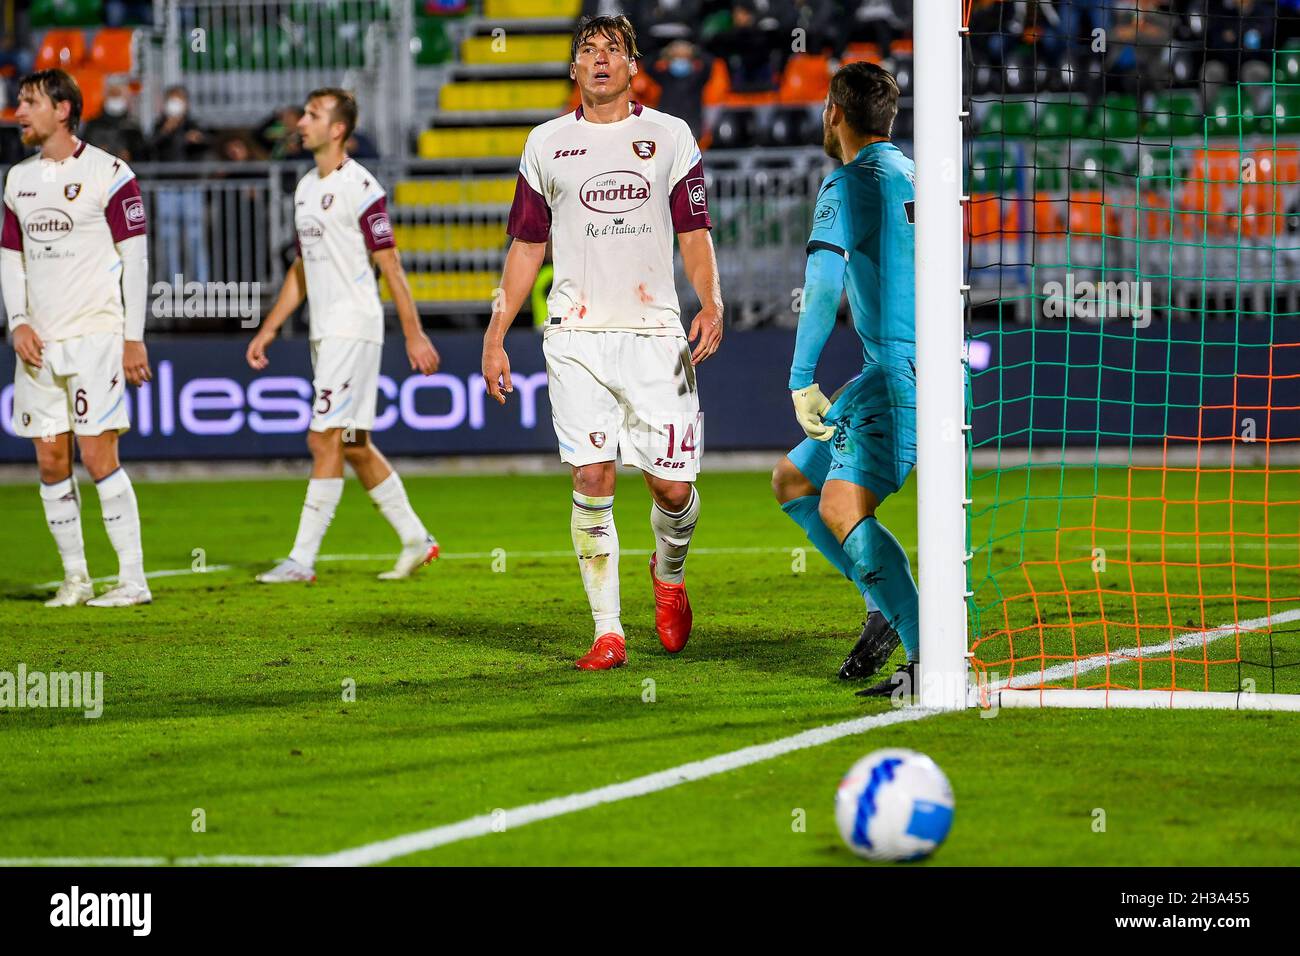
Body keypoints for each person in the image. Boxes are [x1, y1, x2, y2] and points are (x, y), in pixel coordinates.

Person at [481, 14, 723, 670]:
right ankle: (607, 631)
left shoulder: (669, 136)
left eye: (612, 50)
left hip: (655, 335)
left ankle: (668, 575)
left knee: (672, 489)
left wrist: (712, 299)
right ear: (573, 70)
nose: (599, 60)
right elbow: (527, 245)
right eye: (587, 51)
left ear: (632, 67)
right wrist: (497, 331)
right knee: (592, 475)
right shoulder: (546, 144)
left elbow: (694, 233)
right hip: (575, 334)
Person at [247, 88, 441, 584]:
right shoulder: (306, 186)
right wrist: (268, 328)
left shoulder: (362, 187)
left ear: (337, 129)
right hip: (325, 329)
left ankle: (301, 559)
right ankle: (417, 539)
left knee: (322, 437)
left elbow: (390, 263)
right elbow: (302, 268)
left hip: (352, 327)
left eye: (312, 115)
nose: (302, 122)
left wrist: (415, 334)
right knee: (353, 441)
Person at [770, 61, 919, 696]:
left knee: (838, 504)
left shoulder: (846, 185)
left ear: (834, 113)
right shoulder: (918, 175)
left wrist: (803, 378)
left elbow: (824, 282)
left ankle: (927, 656)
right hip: (899, 369)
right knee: (794, 481)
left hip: (897, 375)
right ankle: (882, 606)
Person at [2, 69, 153, 607]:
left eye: (28, 102)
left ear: (62, 108)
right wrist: (16, 319)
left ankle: (132, 580)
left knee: (97, 455)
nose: (18, 112)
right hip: (39, 342)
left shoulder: (110, 173)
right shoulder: (16, 179)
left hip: (95, 335)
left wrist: (132, 337)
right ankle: (77, 577)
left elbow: (135, 259)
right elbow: (11, 257)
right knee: (48, 460)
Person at [146, 85, 210, 283]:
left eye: (179, 100)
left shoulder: (194, 125)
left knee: (195, 238)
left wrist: (196, 140)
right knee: (168, 238)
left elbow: (208, 144)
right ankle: (173, 286)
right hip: (167, 187)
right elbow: (149, 147)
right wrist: (167, 131)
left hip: (191, 186)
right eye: (172, 100)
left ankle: (201, 286)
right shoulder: (159, 126)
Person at [82, 81, 146, 162]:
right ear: (105, 96)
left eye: (118, 94)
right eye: (112, 94)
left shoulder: (133, 126)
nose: (115, 98)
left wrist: (130, 155)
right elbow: (84, 149)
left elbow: (143, 153)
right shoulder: (93, 125)